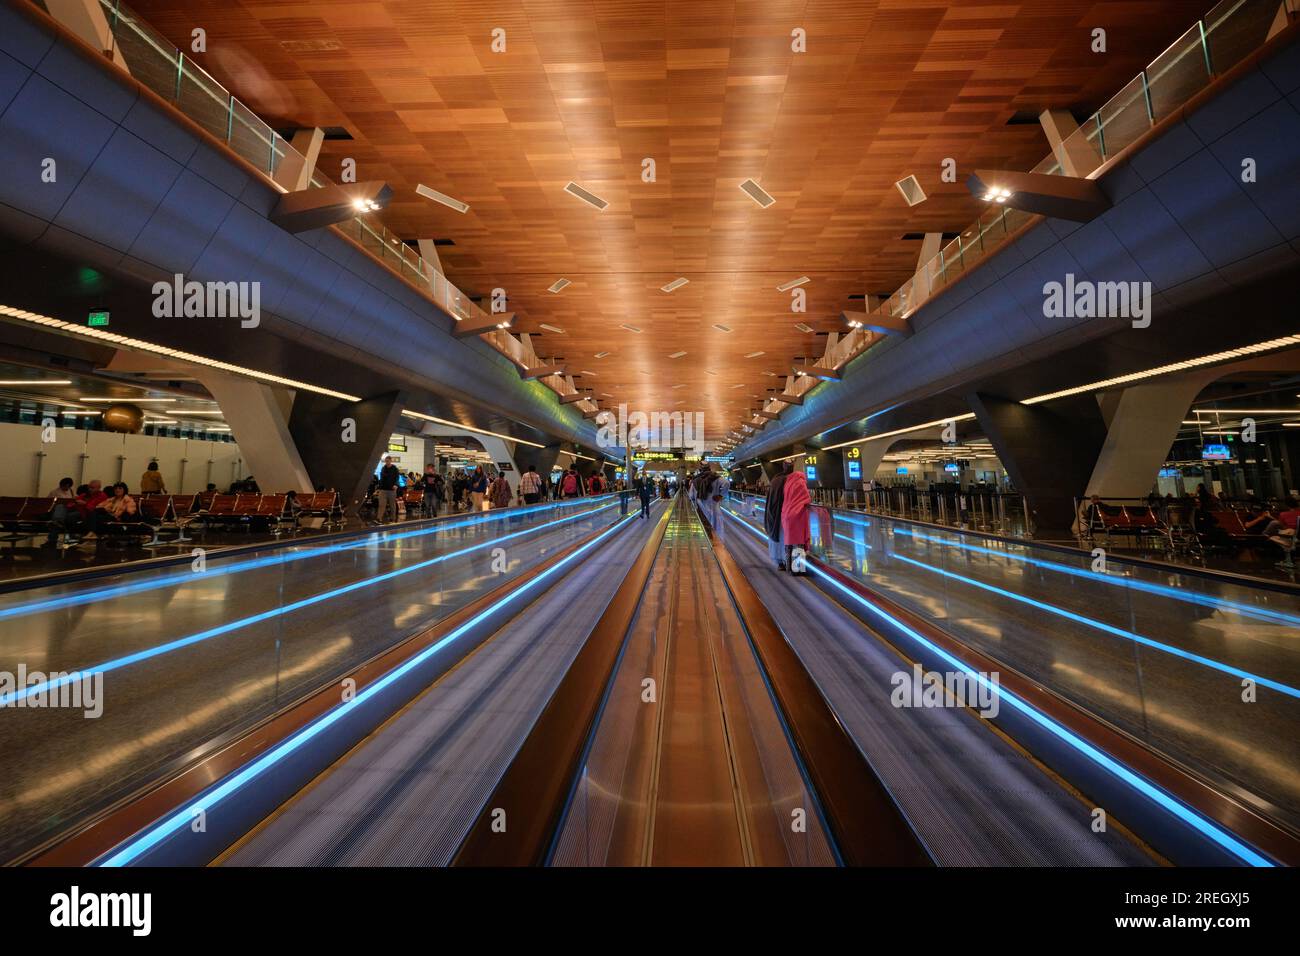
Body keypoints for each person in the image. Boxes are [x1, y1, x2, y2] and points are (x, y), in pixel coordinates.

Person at [781, 467, 812, 573]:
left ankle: (788, 567)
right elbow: (806, 497)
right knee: (798, 542)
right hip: (797, 514)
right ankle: (798, 570)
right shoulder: (800, 482)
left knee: (789, 542)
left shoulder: (788, 483)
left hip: (786, 514)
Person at [765, 461, 792, 570]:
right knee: (785, 537)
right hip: (786, 514)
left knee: (777, 537)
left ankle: (780, 562)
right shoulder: (790, 480)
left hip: (775, 513)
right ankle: (787, 561)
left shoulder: (775, 480)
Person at [42, 477, 76, 548]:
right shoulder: (54, 492)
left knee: (60, 521)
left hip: (66, 511)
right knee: (60, 509)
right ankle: (68, 539)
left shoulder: (71, 491)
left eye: (68, 486)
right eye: (65, 486)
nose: (66, 488)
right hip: (57, 511)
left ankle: (53, 538)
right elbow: (48, 503)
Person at [376, 456, 400, 523]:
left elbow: (397, 478)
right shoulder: (383, 468)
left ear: (390, 461)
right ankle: (379, 518)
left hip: (392, 490)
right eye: (386, 461)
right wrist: (379, 488)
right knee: (381, 504)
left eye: (388, 461)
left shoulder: (395, 469)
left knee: (392, 505)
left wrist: (396, 485)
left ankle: (393, 518)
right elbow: (381, 478)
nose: (387, 462)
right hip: (383, 490)